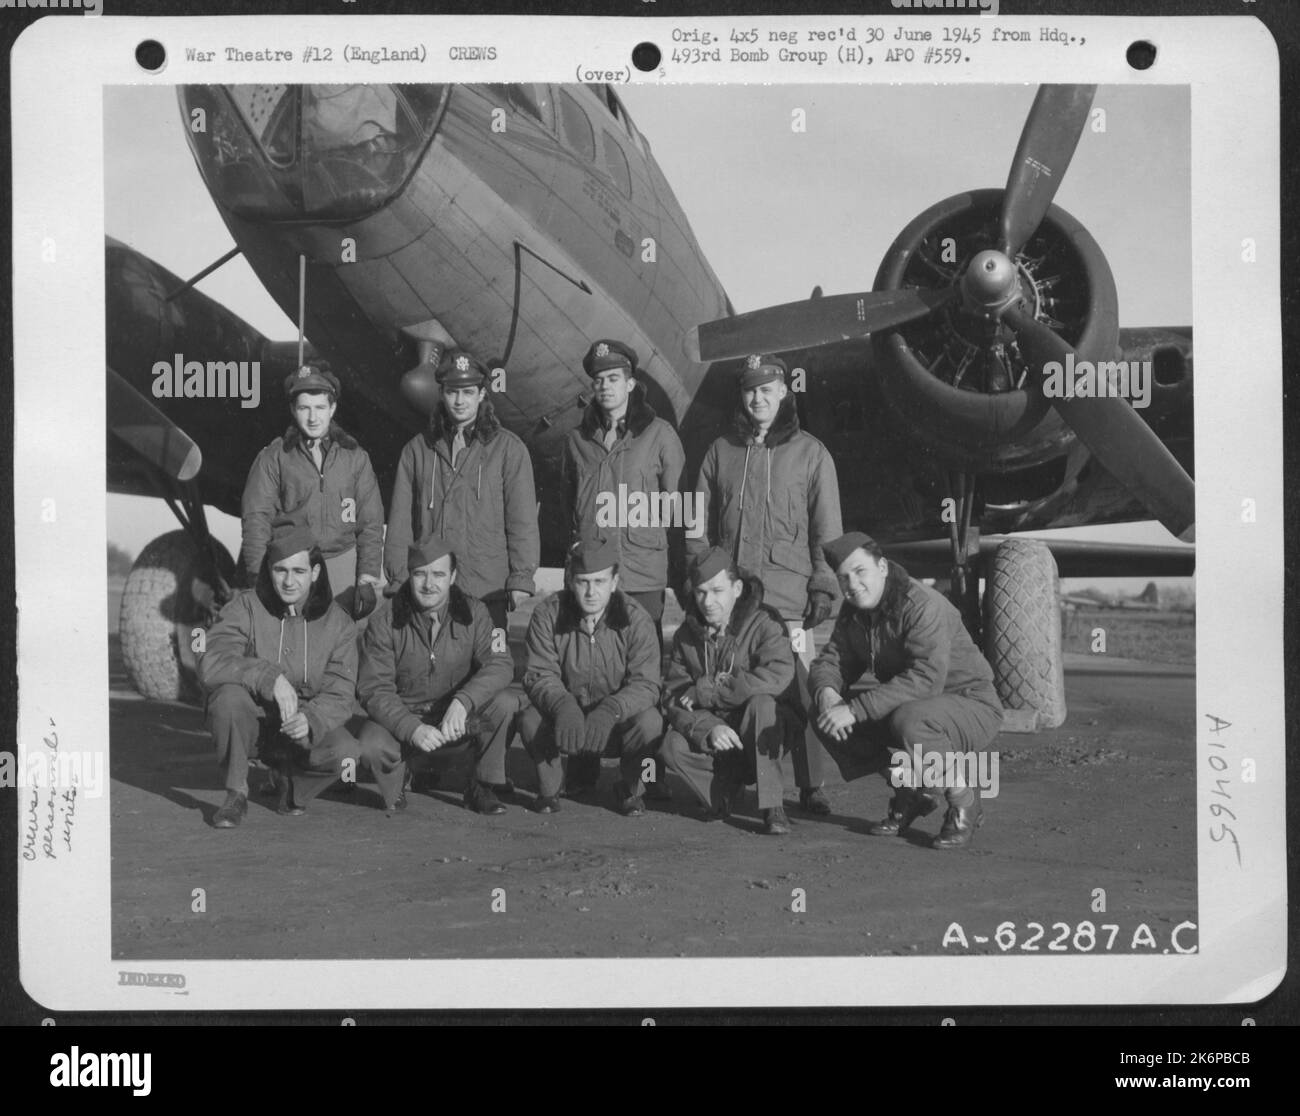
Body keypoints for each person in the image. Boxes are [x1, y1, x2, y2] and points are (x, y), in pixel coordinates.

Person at [688, 352, 842, 815]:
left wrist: (822, 585)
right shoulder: (721, 452)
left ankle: (812, 785)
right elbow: (698, 526)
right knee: (739, 686)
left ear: (783, 393)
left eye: (766, 389)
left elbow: (827, 531)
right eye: (750, 390)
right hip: (736, 601)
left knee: (801, 687)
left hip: (788, 597)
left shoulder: (811, 453)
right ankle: (738, 776)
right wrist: (697, 578)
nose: (758, 398)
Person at [808, 532, 1004, 849]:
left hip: (970, 705)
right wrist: (827, 692)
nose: (852, 585)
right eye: (843, 578)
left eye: (860, 572)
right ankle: (910, 789)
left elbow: (927, 678)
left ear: (882, 567)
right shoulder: (854, 611)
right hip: (908, 706)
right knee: (823, 713)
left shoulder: (922, 605)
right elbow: (831, 660)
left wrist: (855, 710)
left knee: (909, 721)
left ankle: (965, 800)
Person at [562, 338, 686, 799]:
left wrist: (680, 577)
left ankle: (641, 779)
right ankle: (582, 765)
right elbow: (566, 504)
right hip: (594, 577)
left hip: (642, 577)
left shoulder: (660, 437)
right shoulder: (576, 441)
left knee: (642, 679)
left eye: (613, 379)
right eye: (598, 381)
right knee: (586, 670)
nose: (605, 387)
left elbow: (677, 513)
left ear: (631, 383)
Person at [199, 512, 361, 828]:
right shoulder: (246, 606)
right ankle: (235, 793)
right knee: (227, 699)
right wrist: (265, 676)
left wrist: (313, 718)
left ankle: (292, 783)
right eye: (280, 570)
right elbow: (211, 659)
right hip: (258, 720)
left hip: (302, 726)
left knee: (347, 754)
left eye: (299, 571)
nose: (288, 581)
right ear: (268, 571)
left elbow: (342, 691)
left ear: (315, 572)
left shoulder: (338, 623)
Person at [356, 534, 517, 815]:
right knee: (371, 743)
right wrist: (411, 728)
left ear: (453, 576)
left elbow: (501, 663)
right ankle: (399, 781)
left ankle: (481, 785)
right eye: (420, 574)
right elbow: (373, 688)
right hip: (406, 723)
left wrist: (464, 700)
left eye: (438, 574)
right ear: (409, 575)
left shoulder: (476, 613)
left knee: (505, 704)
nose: (429, 584)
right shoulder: (384, 621)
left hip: (457, 720)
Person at [384, 348, 538, 632]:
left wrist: (521, 578)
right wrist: (397, 580)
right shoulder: (416, 450)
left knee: (490, 670)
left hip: (486, 589)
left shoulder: (508, 450)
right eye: (452, 392)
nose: (459, 401)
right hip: (431, 589)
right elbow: (400, 524)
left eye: (468, 392)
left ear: (481, 395)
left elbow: (522, 521)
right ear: (441, 393)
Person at [518, 537, 663, 816]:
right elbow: (538, 673)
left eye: (599, 582)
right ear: (571, 581)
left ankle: (632, 788)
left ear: (614, 581)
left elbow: (647, 684)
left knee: (651, 721)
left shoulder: (637, 619)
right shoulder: (547, 615)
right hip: (567, 722)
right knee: (529, 718)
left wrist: (612, 709)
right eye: (583, 582)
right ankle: (550, 786)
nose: (591, 592)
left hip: (612, 725)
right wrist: (562, 705)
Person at [661, 548, 801, 835]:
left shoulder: (766, 623)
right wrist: (709, 727)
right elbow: (674, 696)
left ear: (737, 588)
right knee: (671, 746)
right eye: (700, 592)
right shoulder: (686, 636)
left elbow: (776, 677)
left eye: (717, 590)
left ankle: (772, 805)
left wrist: (710, 691)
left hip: (764, 728)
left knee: (761, 704)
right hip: (720, 731)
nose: (708, 601)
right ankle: (721, 791)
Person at [240, 361, 383, 620]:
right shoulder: (274, 458)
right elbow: (256, 519)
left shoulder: (356, 458)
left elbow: (370, 522)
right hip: (296, 567)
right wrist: (258, 578)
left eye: (320, 408)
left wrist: (367, 578)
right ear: (293, 410)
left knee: (345, 647)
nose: (313, 417)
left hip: (343, 566)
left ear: (333, 408)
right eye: (305, 408)